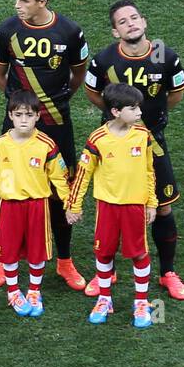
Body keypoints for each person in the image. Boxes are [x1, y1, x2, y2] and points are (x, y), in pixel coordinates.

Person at [0, 0, 89, 291]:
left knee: (62, 192)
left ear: (41, 2)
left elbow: (77, 76)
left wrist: (52, 106)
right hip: (16, 128)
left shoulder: (71, 33)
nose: (16, 5)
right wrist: (21, 111)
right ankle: (8, 263)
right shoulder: (5, 31)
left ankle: (64, 261)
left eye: (23, 0)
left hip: (57, 125)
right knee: (13, 193)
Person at [83, 0, 184, 300]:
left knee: (164, 205)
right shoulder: (103, 61)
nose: (131, 24)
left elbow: (175, 93)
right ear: (116, 31)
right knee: (112, 206)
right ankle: (109, 271)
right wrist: (117, 124)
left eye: (134, 18)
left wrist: (146, 125)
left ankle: (167, 273)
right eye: (123, 21)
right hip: (114, 145)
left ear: (144, 22)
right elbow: (93, 92)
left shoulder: (165, 56)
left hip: (152, 142)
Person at [0, 91, 71, 318]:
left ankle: (33, 292)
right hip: (10, 206)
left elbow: (59, 177)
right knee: (9, 253)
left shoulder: (46, 145)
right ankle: (13, 292)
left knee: (36, 253)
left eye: (28, 115)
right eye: (18, 114)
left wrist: (70, 203)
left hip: (38, 207)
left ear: (37, 117)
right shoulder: (1, 144)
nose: (23, 119)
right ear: (10, 115)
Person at [65, 83, 159, 328]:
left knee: (139, 253)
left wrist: (152, 202)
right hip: (107, 207)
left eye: (139, 107)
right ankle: (105, 299)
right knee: (104, 252)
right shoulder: (98, 139)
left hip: (135, 207)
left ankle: (141, 302)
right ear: (116, 111)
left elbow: (150, 171)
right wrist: (74, 205)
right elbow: (83, 174)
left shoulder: (143, 136)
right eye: (133, 108)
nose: (139, 112)